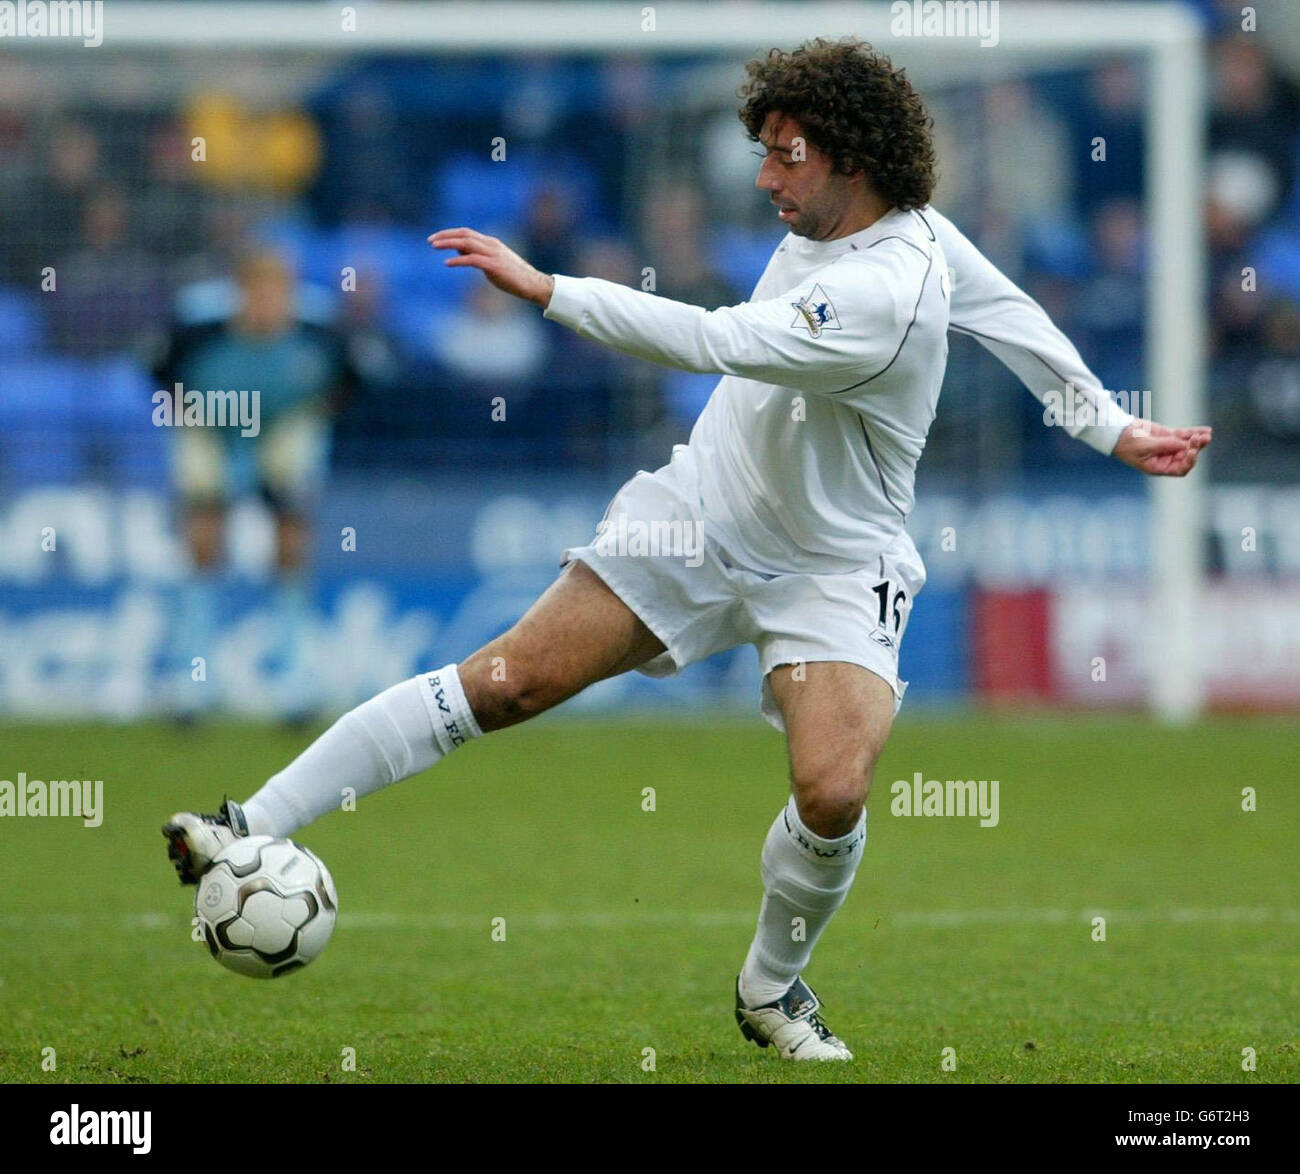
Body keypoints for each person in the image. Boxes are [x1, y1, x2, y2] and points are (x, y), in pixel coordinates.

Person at [164, 39, 1210, 1061]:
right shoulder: (887, 228)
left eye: (785, 154)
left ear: (855, 157)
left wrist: (550, 290)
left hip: (832, 566)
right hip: (699, 516)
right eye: (762, 149)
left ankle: (767, 986)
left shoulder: (888, 286)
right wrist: (1110, 424)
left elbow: (717, 339)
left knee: (832, 789)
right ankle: (243, 821)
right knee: (508, 679)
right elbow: (1011, 314)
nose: (763, 177)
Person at [153, 251, 363, 717]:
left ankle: (292, 678)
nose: (267, 305)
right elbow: (161, 374)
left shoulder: (321, 335)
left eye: (277, 294)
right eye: (257, 294)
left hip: (283, 426)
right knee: (203, 540)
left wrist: (308, 419)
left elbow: (352, 381)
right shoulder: (196, 333)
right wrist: (192, 418)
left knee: (291, 542)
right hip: (212, 426)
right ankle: (193, 679)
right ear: (239, 296)